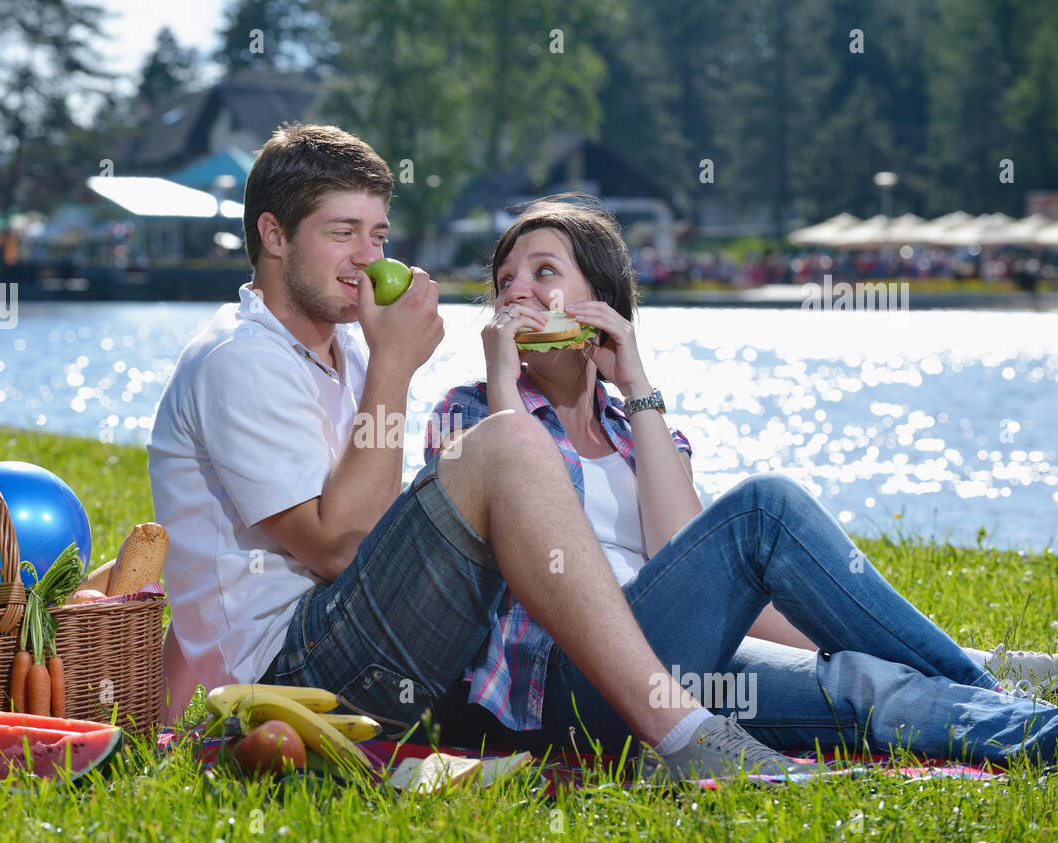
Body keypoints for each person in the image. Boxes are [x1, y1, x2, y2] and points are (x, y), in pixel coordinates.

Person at [147, 123, 817, 781]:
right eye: (341, 232)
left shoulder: (345, 346)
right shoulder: (240, 360)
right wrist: (395, 366)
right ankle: (681, 733)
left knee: (830, 676)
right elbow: (340, 549)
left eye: (377, 235)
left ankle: (818, 695)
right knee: (507, 440)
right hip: (293, 681)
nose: (367, 257)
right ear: (273, 234)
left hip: (365, 648)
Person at [419, 192, 1058, 767]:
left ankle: (1035, 728)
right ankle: (990, 680)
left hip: (678, 661)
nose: (515, 293)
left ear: (600, 303)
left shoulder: (638, 430)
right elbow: (513, 487)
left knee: (862, 684)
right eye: (504, 281)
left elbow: (676, 552)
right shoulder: (469, 411)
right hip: (571, 682)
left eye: (544, 272)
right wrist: (503, 378)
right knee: (765, 509)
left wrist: (638, 386)